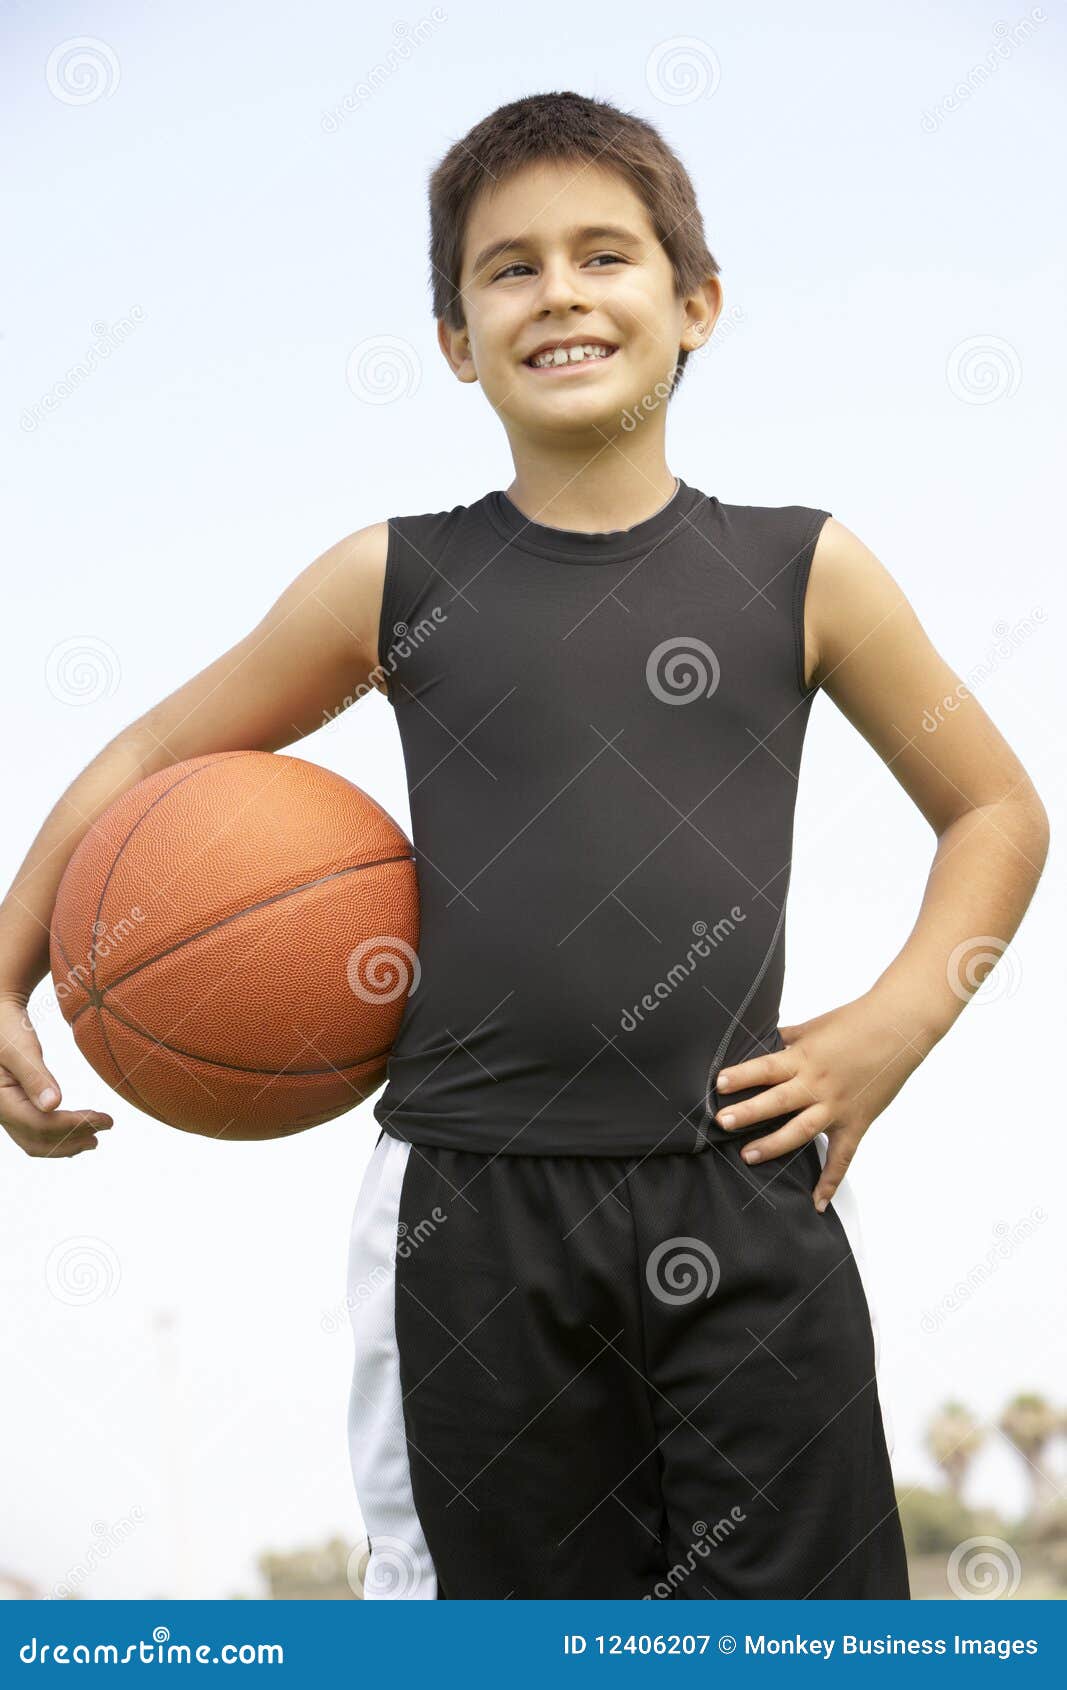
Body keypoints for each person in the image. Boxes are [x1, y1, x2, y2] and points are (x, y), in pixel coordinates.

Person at [0, 91, 1048, 1601]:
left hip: (745, 1178)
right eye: (509, 267)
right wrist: (15, 967)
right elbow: (153, 755)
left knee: (814, 1637)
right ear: (452, 337)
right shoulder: (396, 575)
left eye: (604, 255)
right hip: (467, 1213)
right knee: (487, 1639)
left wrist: (897, 1020)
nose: (559, 290)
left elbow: (999, 808)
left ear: (694, 306)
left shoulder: (807, 569)